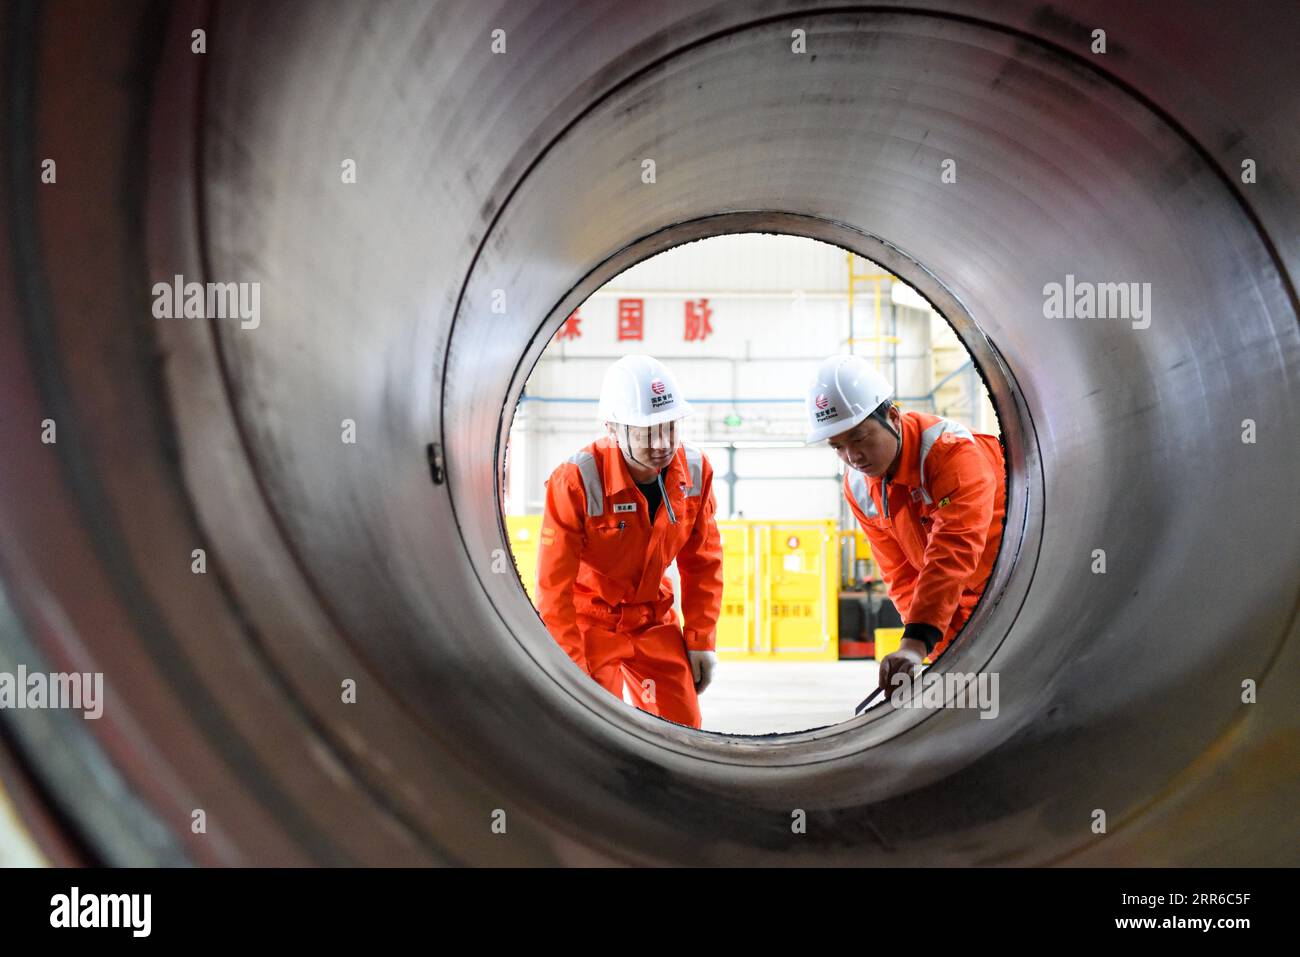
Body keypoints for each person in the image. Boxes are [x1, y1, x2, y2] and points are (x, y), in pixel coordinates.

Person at [536, 354, 724, 728]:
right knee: (592, 731)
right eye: (646, 431)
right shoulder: (576, 481)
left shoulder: (696, 471)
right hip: (590, 625)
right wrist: (568, 670)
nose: (662, 443)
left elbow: (703, 562)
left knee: (683, 731)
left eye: (670, 428)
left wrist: (701, 640)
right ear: (613, 428)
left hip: (653, 619)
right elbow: (553, 589)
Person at [805, 354, 1006, 693]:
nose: (853, 457)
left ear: (893, 418)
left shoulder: (951, 454)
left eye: (860, 437)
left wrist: (916, 642)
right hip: (951, 606)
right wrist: (936, 651)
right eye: (837, 447)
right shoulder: (858, 485)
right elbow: (899, 574)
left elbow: (954, 550)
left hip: (1011, 591)